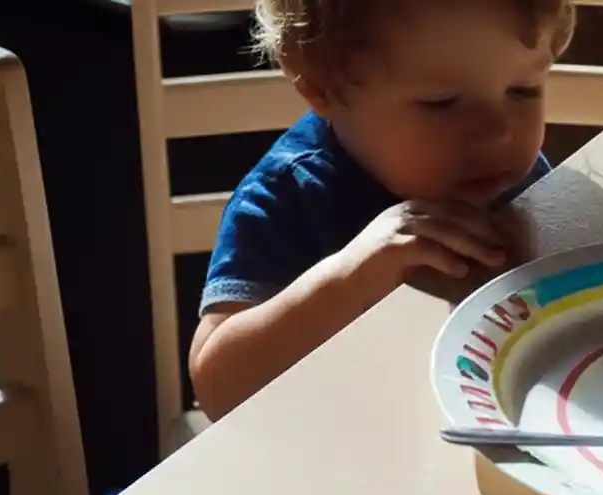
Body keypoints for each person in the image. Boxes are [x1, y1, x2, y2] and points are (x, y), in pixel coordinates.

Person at [188, 0, 577, 421]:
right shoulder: (289, 198)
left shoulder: (496, 170)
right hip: (333, 453)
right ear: (316, 82)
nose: (499, 132)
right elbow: (217, 390)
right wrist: (353, 277)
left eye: (524, 91)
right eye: (441, 103)